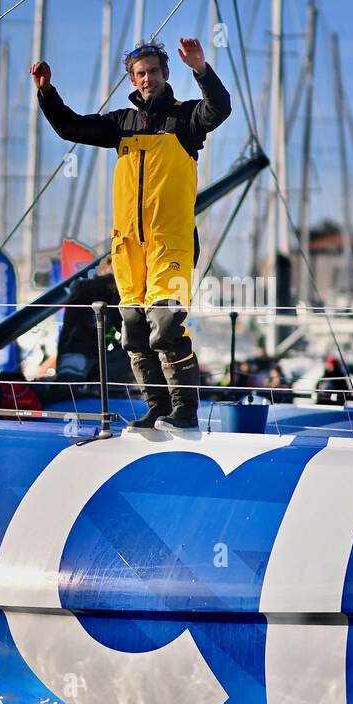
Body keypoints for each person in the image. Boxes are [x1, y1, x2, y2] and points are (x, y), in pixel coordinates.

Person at [32, 37, 231, 429]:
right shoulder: (121, 123)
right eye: (140, 74)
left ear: (165, 74)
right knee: (135, 332)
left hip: (169, 242)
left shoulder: (186, 118)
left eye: (153, 72)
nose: (147, 80)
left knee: (166, 326)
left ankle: (185, 411)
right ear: (133, 79)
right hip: (128, 247)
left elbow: (219, 108)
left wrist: (201, 70)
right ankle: (156, 408)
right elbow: (71, 127)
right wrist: (46, 93)